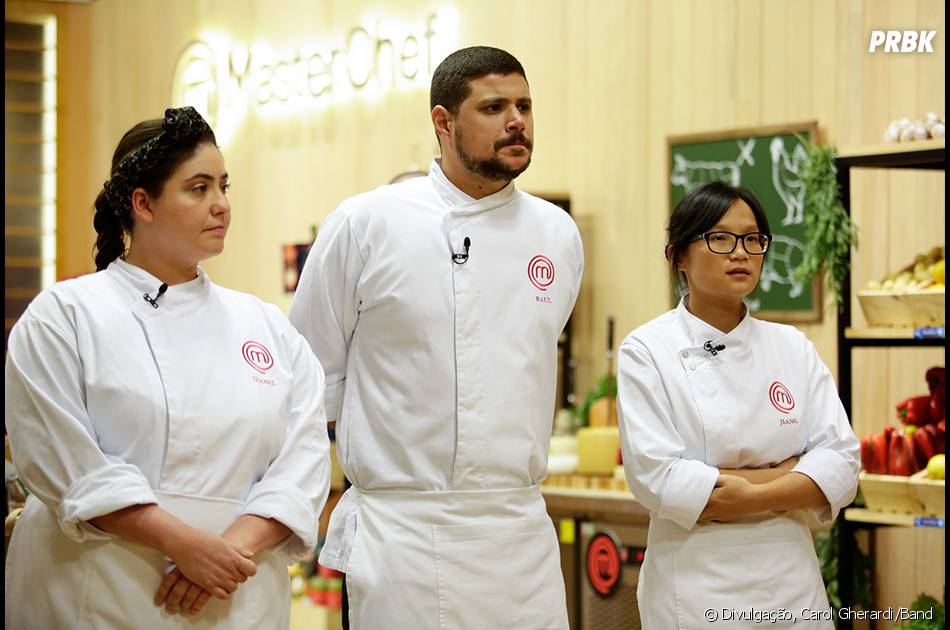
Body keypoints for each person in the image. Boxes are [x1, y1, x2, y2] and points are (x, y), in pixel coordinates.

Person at [289, 46, 584, 629]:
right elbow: (308, 374)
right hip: (404, 538)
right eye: (494, 107)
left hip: (518, 534)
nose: (517, 120)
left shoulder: (557, 234)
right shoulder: (365, 223)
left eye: (524, 105)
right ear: (443, 122)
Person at [4, 106, 331, 629]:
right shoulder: (66, 315)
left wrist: (225, 552)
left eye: (224, 186)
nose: (222, 205)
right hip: (95, 592)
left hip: (236, 591)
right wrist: (183, 544)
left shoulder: (266, 327)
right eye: (198, 188)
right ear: (142, 204)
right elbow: (61, 460)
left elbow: (304, 459)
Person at [616, 181, 860, 629]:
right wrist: (791, 472)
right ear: (678, 257)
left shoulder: (791, 346)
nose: (741, 252)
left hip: (792, 582)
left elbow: (842, 462)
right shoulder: (647, 349)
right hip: (696, 587)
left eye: (753, 239)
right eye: (720, 238)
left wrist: (751, 493)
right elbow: (661, 479)